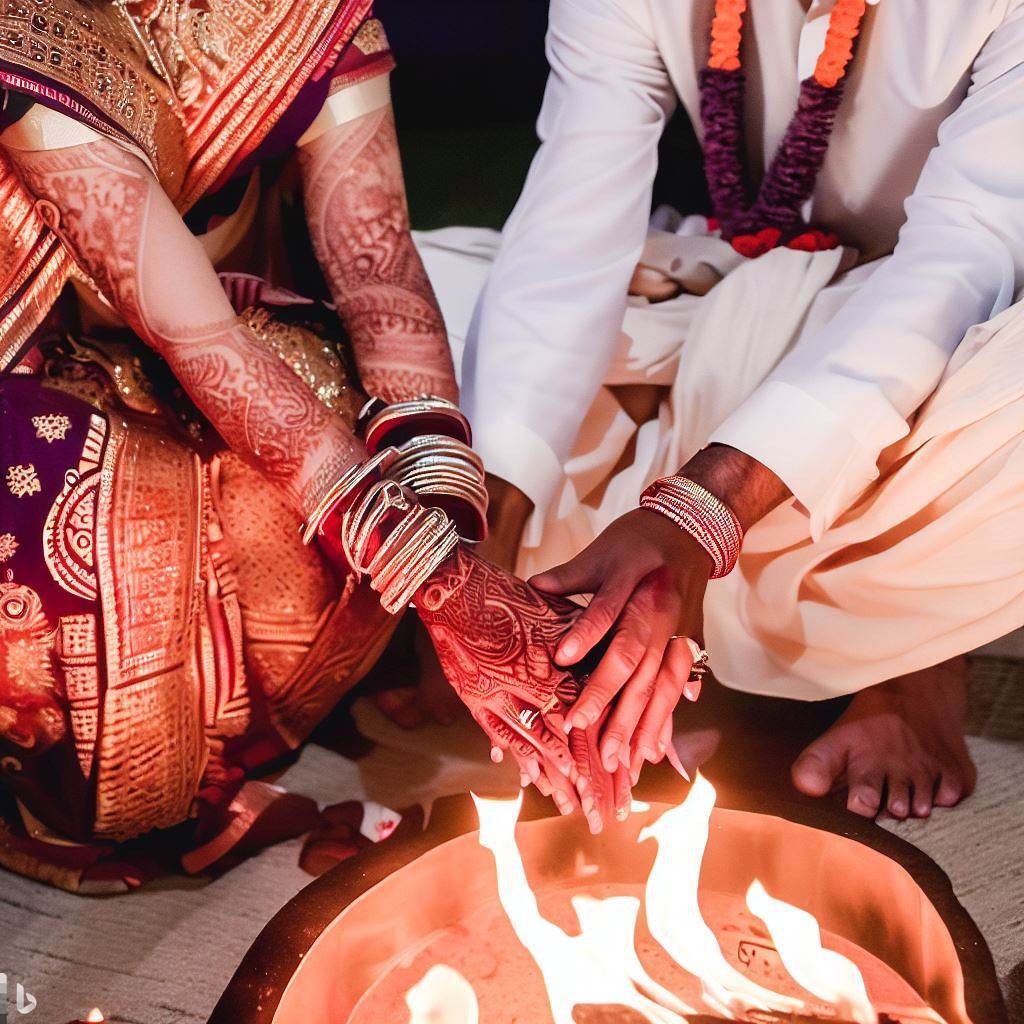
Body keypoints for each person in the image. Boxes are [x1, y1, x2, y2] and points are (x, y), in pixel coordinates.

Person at [0, 0, 616, 892]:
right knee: (113, 499)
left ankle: (229, 735)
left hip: (160, 355)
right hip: (33, 376)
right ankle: (60, 801)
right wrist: (444, 587)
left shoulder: (305, 15)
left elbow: (377, 268)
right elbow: (197, 337)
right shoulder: (27, 29)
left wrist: (450, 538)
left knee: (345, 409)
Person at [416, 0, 1024, 820]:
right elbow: (571, 225)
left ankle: (915, 664)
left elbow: (969, 256)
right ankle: (628, 628)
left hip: (949, 339)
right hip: (730, 286)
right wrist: (474, 557)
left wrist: (700, 513)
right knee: (408, 325)